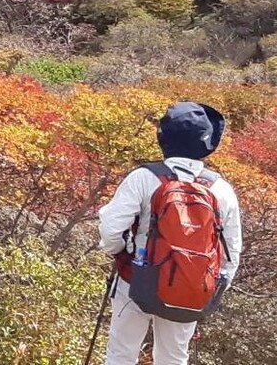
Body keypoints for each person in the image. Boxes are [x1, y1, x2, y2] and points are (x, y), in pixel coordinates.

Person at [98, 101, 243, 365]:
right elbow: (230, 253)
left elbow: (110, 230)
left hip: (136, 277)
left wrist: (119, 253)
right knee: (173, 357)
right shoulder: (221, 189)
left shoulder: (144, 177)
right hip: (190, 286)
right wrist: (211, 288)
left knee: (121, 353)